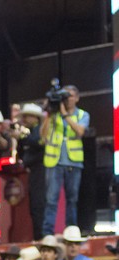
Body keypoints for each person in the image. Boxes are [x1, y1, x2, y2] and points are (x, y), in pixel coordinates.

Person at [41, 84, 89, 238]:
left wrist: (64, 114)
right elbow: (43, 135)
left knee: (72, 199)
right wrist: (49, 113)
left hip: (73, 162)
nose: (67, 99)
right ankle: (47, 232)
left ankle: (71, 232)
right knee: (51, 199)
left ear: (77, 98)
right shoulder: (53, 115)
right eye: (65, 96)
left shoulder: (82, 114)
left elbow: (80, 131)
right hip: (54, 162)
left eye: (70, 96)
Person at [15, 103, 47, 237]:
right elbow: (21, 152)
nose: (25, 119)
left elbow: (38, 142)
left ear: (35, 118)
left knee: (38, 203)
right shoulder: (28, 133)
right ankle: (37, 234)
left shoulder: (40, 130)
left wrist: (22, 137)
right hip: (33, 170)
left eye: (27, 117)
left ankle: (40, 234)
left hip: (40, 170)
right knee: (34, 204)